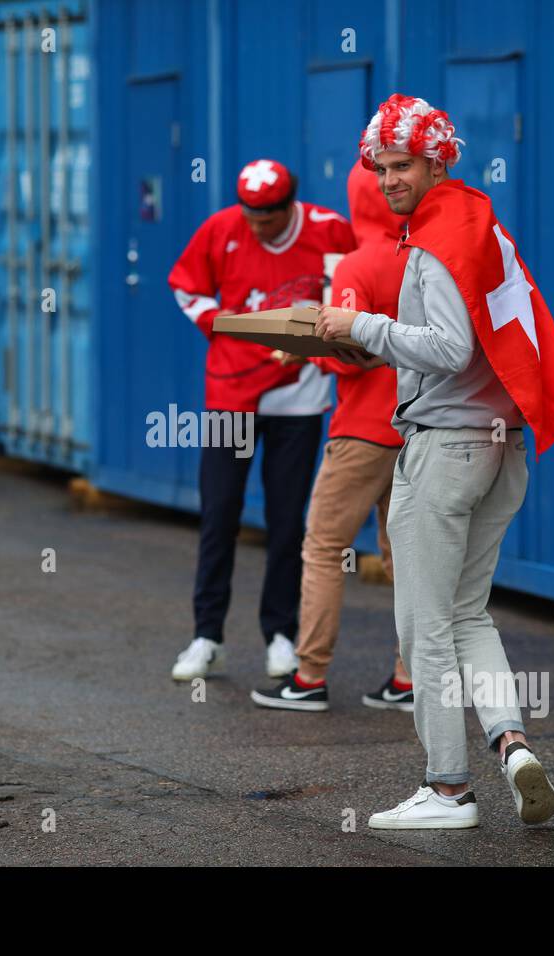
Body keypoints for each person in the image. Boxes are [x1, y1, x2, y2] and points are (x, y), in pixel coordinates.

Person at [317, 95, 554, 828]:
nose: (388, 180)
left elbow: (447, 347)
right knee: (469, 614)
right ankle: (512, 742)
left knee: (423, 628)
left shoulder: (433, 239)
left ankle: (447, 790)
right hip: (502, 447)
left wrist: (358, 325)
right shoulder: (479, 222)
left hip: (446, 450)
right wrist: (373, 337)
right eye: (379, 167)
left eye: (401, 166)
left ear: (439, 159)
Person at [168, 159, 355, 682]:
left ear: (288, 206)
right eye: (250, 214)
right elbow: (186, 285)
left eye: (267, 217)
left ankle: (280, 634)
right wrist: (220, 324)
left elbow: (349, 290)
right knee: (218, 515)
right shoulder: (222, 227)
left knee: (287, 519)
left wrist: (319, 340)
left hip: (297, 397)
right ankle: (207, 635)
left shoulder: (327, 228)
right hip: (230, 394)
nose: (256, 225)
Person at [250, 160, 412, 713]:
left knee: (322, 548)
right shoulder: (427, 259)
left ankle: (310, 676)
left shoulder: (356, 264)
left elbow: (352, 355)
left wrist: (303, 346)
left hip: (362, 431)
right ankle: (409, 677)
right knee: (404, 558)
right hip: (417, 428)